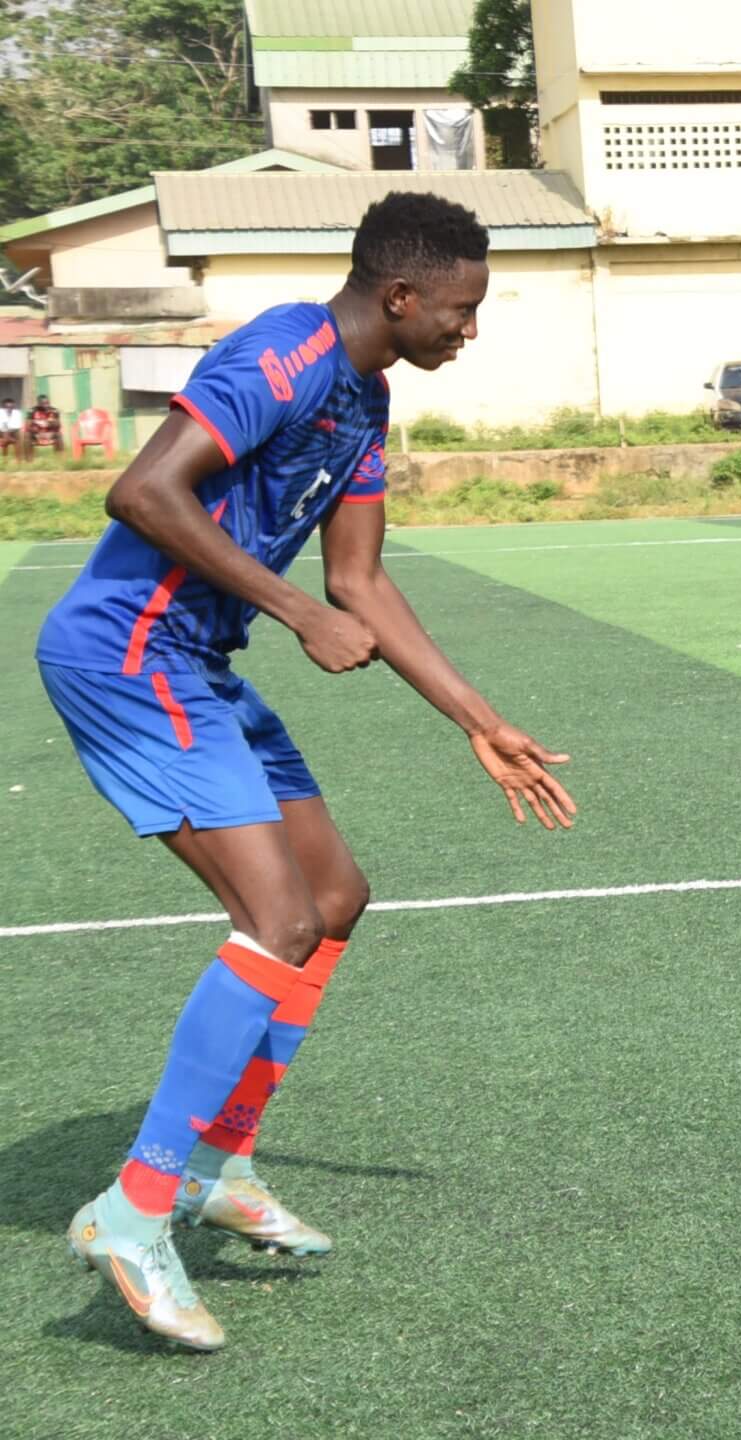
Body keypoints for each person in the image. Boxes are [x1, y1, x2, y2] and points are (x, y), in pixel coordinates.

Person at [40, 193, 577, 1352]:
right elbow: (142, 490)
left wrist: (477, 721)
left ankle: (220, 1158)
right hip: (127, 653)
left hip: (197, 658)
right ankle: (133, 1211)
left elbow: (364, 586)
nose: (468, 331)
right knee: (274, 916)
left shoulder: (367, 397)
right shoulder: (285, 350)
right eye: (461, 309)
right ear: (400, 296)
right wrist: (285, 607)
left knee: (334, 900)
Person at [0, 395, 21, 460]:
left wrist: (8, 428)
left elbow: (18, 425)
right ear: (4, 407)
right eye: (7, 407)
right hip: (1, 432)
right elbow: (1, 425)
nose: (9, 408)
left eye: (11, 407)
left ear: (13, 406)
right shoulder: (0, 412)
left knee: (8, 437)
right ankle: (6, 458)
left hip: (13, 432)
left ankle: (17, 459)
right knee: (5, 433)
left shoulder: (17, 413)